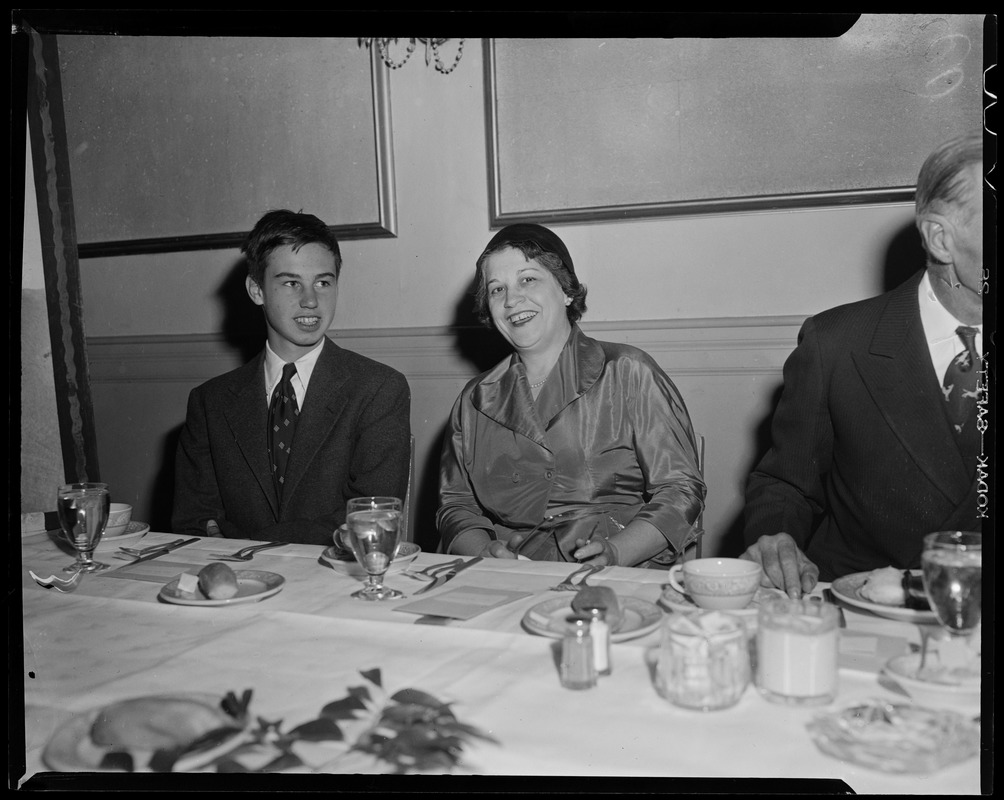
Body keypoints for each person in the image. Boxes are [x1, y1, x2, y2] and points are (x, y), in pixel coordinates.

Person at [741, 133, 985, 597]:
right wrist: (777, 538)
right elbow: (786, 483)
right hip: (864, 607)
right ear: (941, 239)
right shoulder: (836, 344)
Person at [437, 223, 705, 567]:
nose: (511, 300)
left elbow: (681, 490)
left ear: (565, 290)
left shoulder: (628, 370)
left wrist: (616, 552)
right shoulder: (474, 399)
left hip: (619, 571)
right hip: (512, 574)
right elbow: (457, 505)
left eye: (527, 279)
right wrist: (483, 553)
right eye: (496, 289)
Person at [172, 209, 412, 544]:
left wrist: (246, 541)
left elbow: (372, 515)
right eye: (291, 283)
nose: (311, 300)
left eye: (323, 282)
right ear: (256, 290)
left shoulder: (378, 389)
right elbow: (194, 523)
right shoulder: (210, 402)